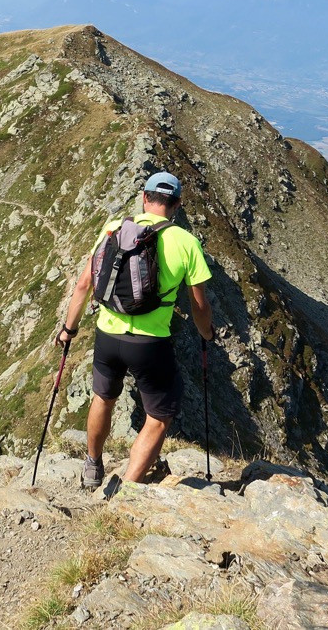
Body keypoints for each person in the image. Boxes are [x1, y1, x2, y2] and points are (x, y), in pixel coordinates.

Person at [57, 170, 214, 488]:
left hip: (107, 336)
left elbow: (84, 284)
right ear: (177, 205)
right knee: (158, 417)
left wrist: (68, 330)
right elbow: (199, 305)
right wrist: (206, 333)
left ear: (145, 198)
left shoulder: (114, 228)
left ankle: (92, 465)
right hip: (150, 344)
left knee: (103, 398)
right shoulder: (186, 242)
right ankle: (126, 491)